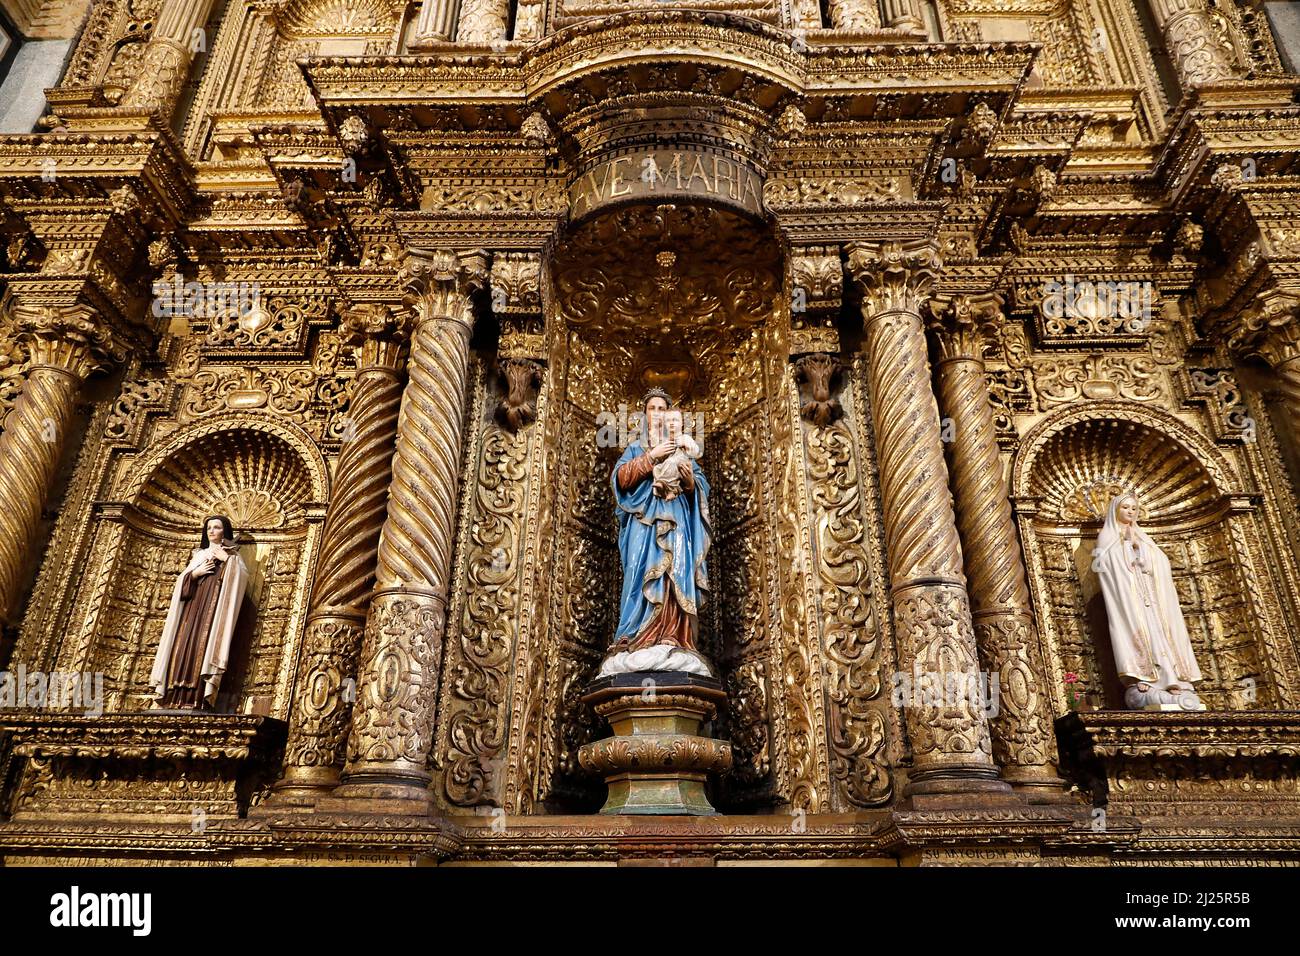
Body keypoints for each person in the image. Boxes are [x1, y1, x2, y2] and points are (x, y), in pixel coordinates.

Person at [603, 388, 712, 677]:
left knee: (674, 573)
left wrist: (690, 483)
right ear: (644, 415)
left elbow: (700, 488)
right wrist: (651, 458)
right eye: (652, 408)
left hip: (677, 523)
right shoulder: (636, 449)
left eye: (662, 408)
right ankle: (635, 635)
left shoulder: (681, 447)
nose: (657, 413)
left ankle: (674, 637)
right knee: (641, 575)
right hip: (643, 527)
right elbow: (621, 480)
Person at [1094, 494, 1205, 710]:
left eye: (1134, 508)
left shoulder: (1143, 536)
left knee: (1163, 634)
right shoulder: (1106, 537)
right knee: (1138, 634)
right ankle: (1143, 678)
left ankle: (1172, 679)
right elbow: (1102, 565)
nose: (1130, 512)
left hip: (1153, 600)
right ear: (1115, 510)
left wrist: (1142, 549)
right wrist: (1125, 546)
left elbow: (1161, 562)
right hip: (1129, 600)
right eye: (1125, 507)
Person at [149, 515, 249, 709]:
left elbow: (240, 579)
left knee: (203, 649)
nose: (211, 531)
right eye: (209, 527)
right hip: (191, 610)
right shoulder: (200, 555)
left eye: (217, 527)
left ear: (224, 531)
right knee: (183, 647)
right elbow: (181, 584)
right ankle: (173, 696)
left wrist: (227, 560)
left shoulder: (232, 556)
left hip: (212, 613)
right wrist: (195, 574)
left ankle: (196, 698)